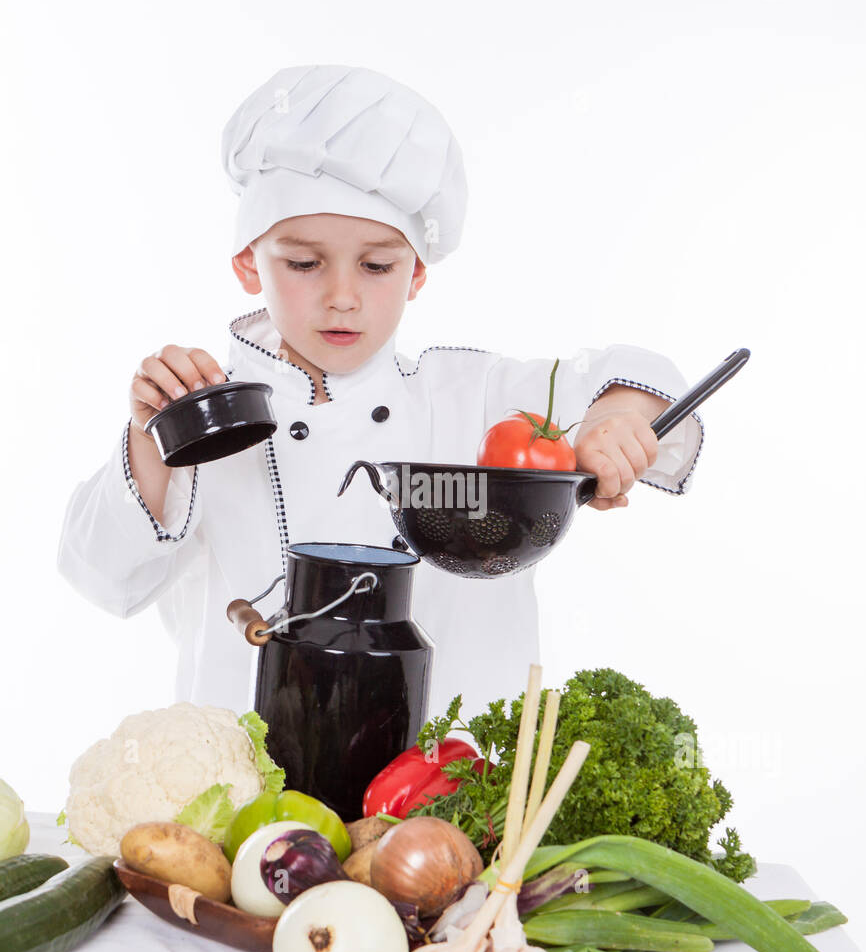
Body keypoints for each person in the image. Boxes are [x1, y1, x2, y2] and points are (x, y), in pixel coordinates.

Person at [57, 64, 703, 722]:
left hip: (451, 803)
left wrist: (616, 421)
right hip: (241, 804)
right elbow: (100, 577)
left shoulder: (471, 397)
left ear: (417, 272)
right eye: (304, 263)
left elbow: (631, 371)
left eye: (376, 265)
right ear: (250, 263)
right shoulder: (206, 415)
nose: (343, 296)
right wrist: (152, 435)